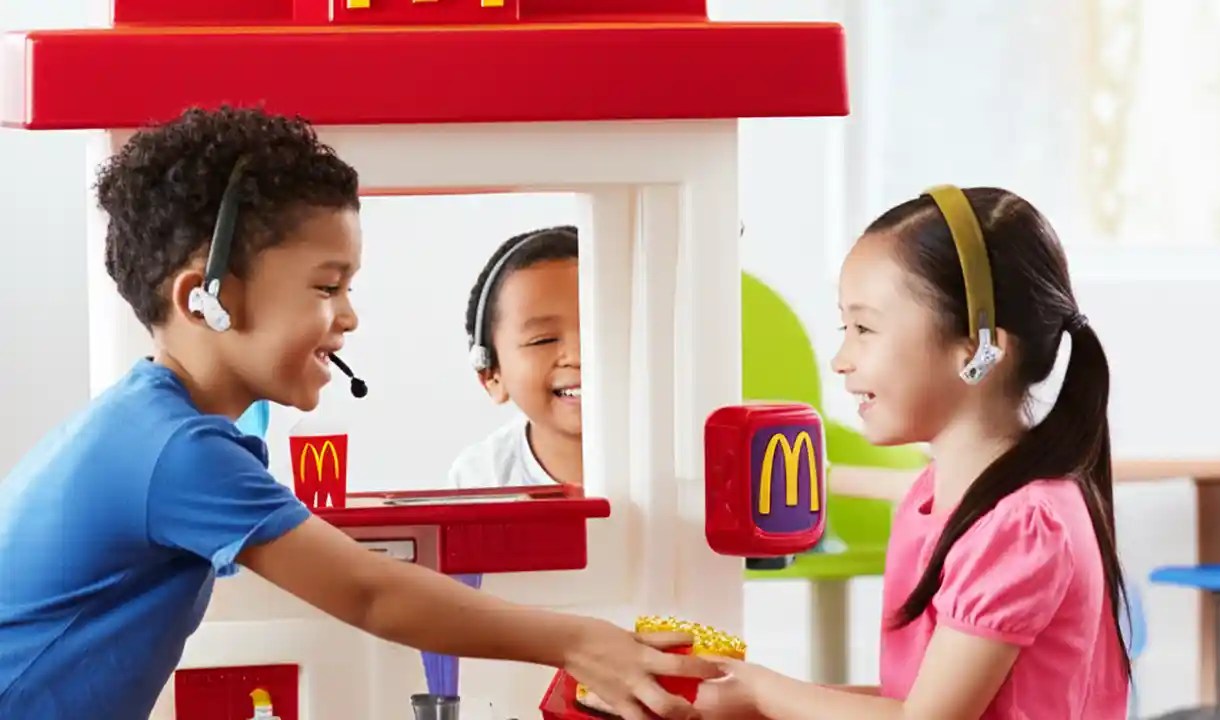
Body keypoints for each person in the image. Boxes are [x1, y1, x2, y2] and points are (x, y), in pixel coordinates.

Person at [0, 107, 715, 720]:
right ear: (205, 299)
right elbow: (371, 592)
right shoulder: (175, 452)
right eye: (326, 286)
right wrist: (576, 640)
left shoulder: (157, 425)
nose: (347, 317)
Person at [694, 186, 1130, 719]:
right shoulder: (953, 494)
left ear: (978, 348)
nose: (840, 359)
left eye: (864, 329)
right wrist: (746, 696)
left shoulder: (1022, 524)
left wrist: (759, 691)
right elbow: (913, 703)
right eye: (843, 328)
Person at [449, 226, 583, 489]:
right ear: (491, 375)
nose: (579, 356)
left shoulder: (683, 454)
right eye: (543, 340)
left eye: (602, 331)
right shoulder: (481, 478)